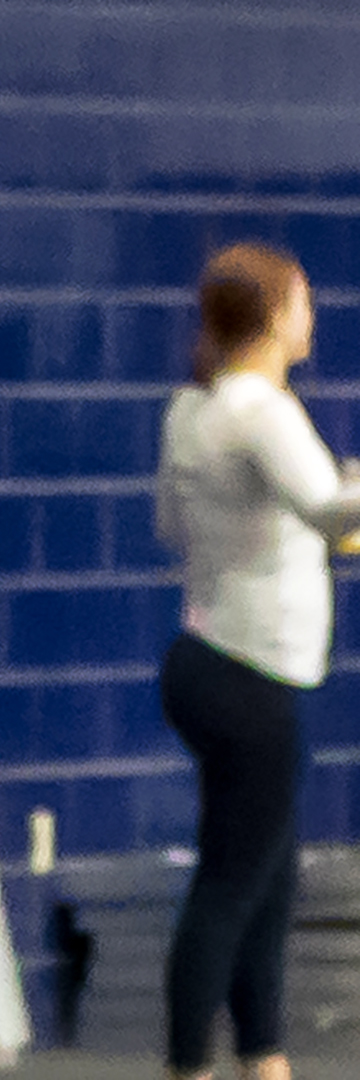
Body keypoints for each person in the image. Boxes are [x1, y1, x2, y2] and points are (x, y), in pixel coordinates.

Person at [154, 243, 360, 1080]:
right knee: (234, 883)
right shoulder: (262, 411)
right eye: (304, 302)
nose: (312, 317)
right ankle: (188, 1068)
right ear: (276, 315)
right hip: (253, 674)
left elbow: (175, 527)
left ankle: (263, 1058)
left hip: (209, 662)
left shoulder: (191, 410)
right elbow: (326, 507)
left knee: (265, 877)